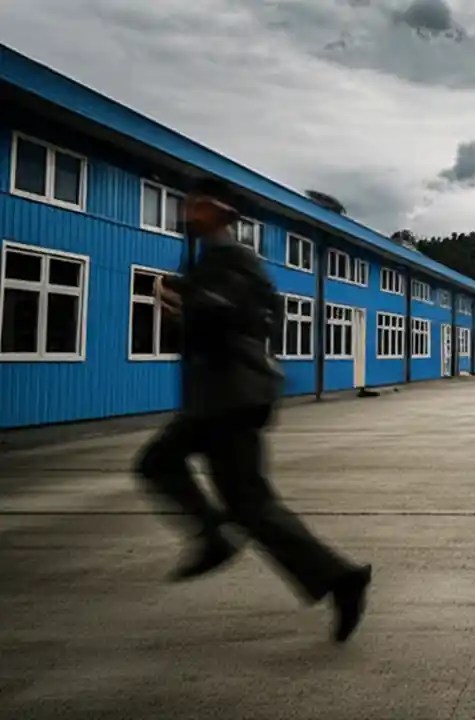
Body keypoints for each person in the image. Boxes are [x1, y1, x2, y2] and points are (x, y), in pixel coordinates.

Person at [134, 183, 372, 643]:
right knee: (239, 500)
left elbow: (230, 315)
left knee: (233, 497)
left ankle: (224, 542)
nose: (189, 210)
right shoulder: (210, 260)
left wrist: (184, 300)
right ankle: (334, 577)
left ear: (220, 212)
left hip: (231, 400)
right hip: (217, 399)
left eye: (197, 203)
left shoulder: (233, 259)